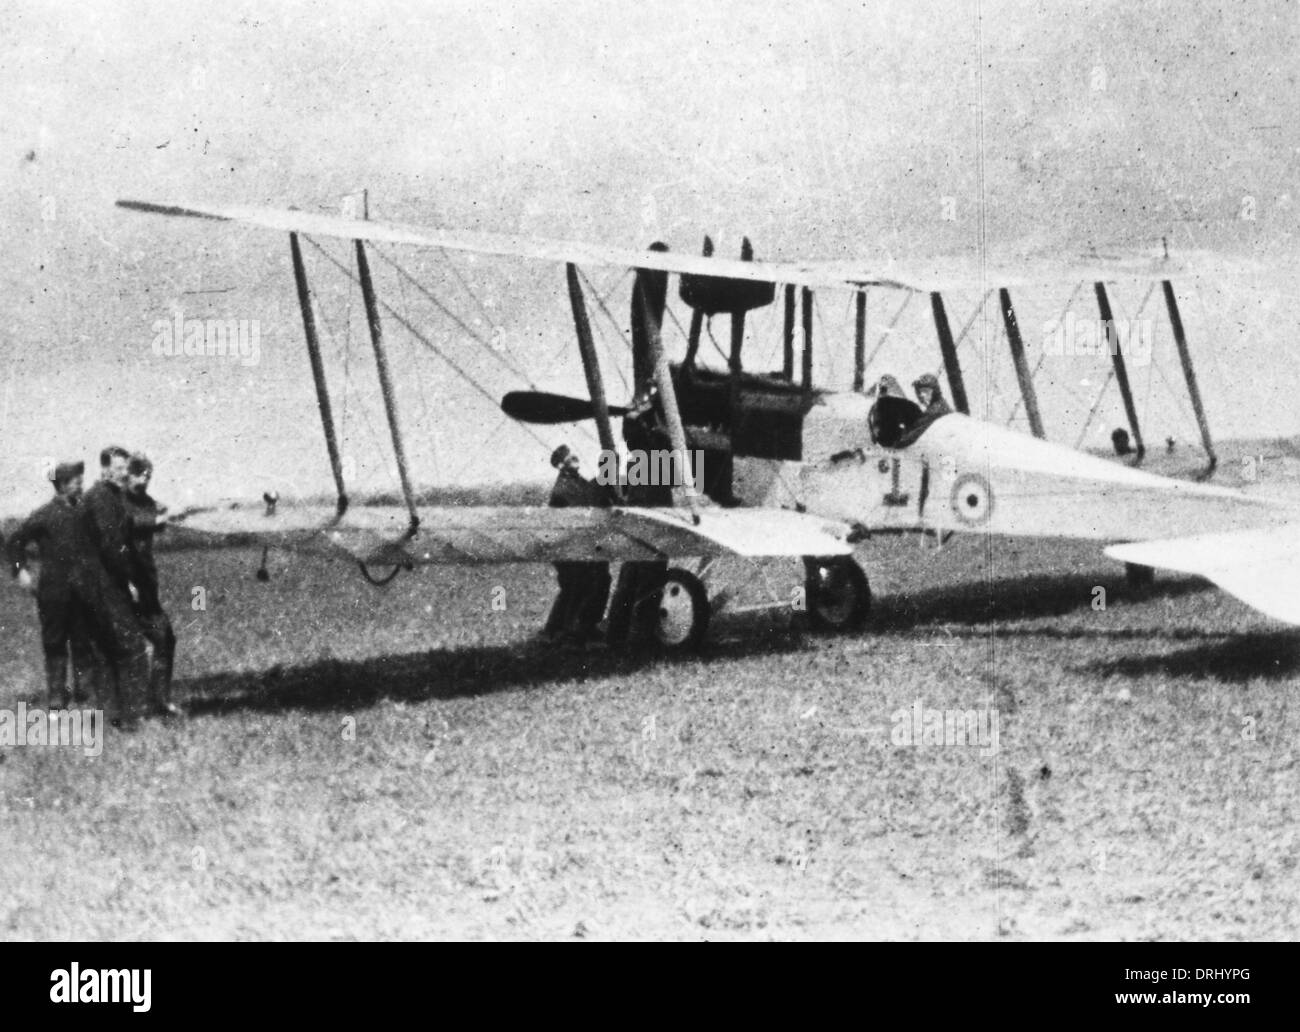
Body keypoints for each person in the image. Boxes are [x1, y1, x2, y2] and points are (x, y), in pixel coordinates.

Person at [6, 461, 96, 707]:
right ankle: (57, 697)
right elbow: (15, 541)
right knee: (54, 643)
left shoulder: (85, 512)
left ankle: (85, 695)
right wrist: (20, 571)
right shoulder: (45, 514)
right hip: (53, 592)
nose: (82, 485)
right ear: (64, 484)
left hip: (83, 591)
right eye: (77, 481)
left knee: (82, 642)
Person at [78, 445, 153, 728]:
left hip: (93, 584)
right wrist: (129, 581)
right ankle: (133, 718)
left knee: (104, 650)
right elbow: (113, 547)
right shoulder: (102, 498)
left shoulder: (105, 496)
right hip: (106, 584)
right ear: (105, 468)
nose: (124, 474)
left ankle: (111, 717)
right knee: (131, 647)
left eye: (127, 469)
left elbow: (127, 525)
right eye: (120, 468)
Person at [124, 453, 180, 717]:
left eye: (147, 479)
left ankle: (159, 700)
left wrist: (173, 514)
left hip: (146, 588)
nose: (143, 484)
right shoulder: (116, 504)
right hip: (123, 587)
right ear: (129, 475)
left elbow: (156, 522)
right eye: (139, 478)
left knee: (165, 639)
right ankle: (128, 706)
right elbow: (128, 527)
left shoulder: (147, 502)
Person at [542, 445, 612, 644]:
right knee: (578, 586)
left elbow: (591, 490)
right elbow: (587, 500)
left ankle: (567, 628)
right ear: (561, 464)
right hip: (569, 547)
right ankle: (570, 630)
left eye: (573, 455)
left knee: (584, 585)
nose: (575, 457)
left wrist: (606, 473)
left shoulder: (576, 482)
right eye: (569, 457)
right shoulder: (563, 488)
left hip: (580, 545)